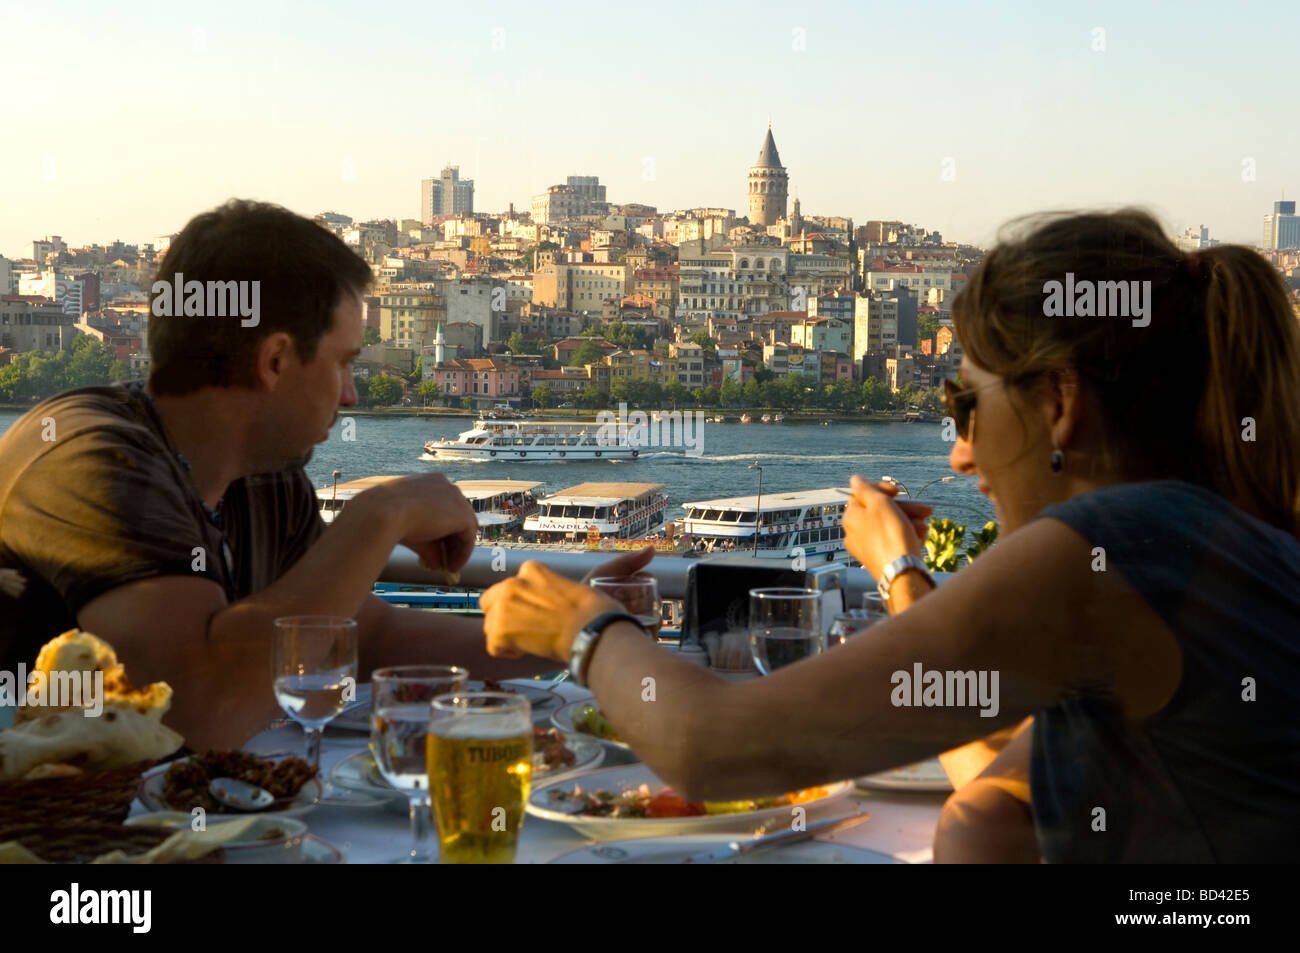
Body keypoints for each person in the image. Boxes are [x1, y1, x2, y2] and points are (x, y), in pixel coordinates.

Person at [480, 209, 1300, 862]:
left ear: (1059, 400)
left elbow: (713, 747)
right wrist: (903, 573)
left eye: (965, 403)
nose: (960, 449)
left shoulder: (1104, 548)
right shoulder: (1207, 533)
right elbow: (990, 782)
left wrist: (580, 627)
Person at [0, 199, 651, 750]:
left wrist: (576, 628)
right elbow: (195, 709)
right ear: (276, 361)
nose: (351, 397)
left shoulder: (262, 477)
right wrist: (381, 514)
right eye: (343, 363)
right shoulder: (91, 457)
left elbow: (364, 636)